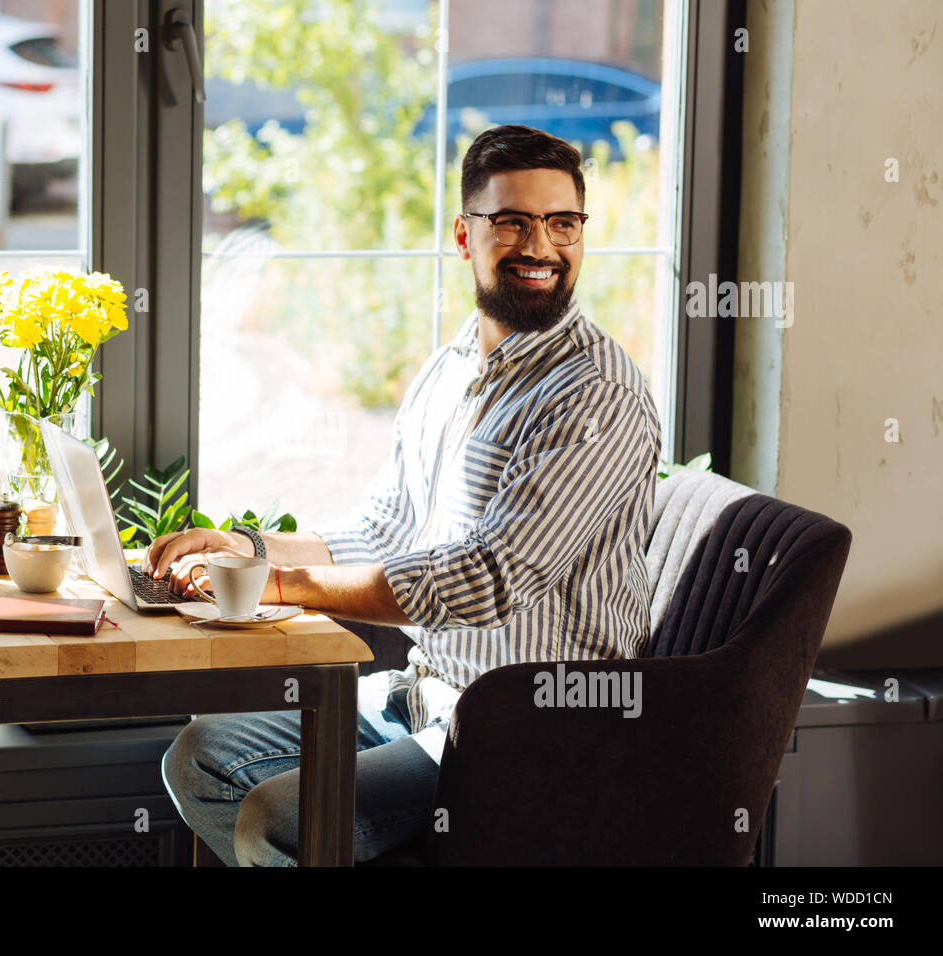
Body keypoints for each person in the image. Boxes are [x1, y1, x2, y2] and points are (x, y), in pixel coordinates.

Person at [150, 124, 663, 866]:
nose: (540, 246)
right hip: (421, 699)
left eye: (562, 223)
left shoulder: (595, 394)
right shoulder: (450, 368)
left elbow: (486, 580)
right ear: (464, 235)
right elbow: (384, 527)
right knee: (201, 755)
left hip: (529, 735)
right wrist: (246, 549)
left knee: (275, 815)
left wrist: (282, 585)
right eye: (512, 220)